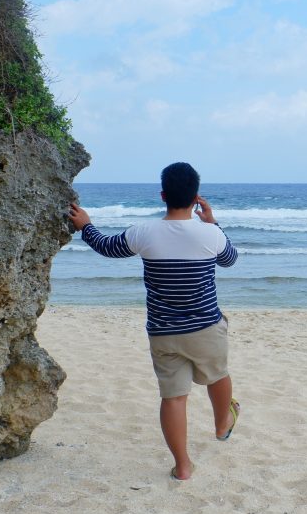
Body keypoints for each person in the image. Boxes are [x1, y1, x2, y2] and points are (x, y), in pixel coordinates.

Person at [67, 162, 239, 482]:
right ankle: (221, 425)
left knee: (173, 397)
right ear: (196, 198)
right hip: (206, 328)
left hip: (164, 333)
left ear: (163, 195)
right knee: (218, 374)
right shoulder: (210, 233)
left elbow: (107, 247)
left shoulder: (144, 232)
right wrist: (213, 222)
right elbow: (230, 260)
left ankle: (183, 466)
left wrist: (86, 226)